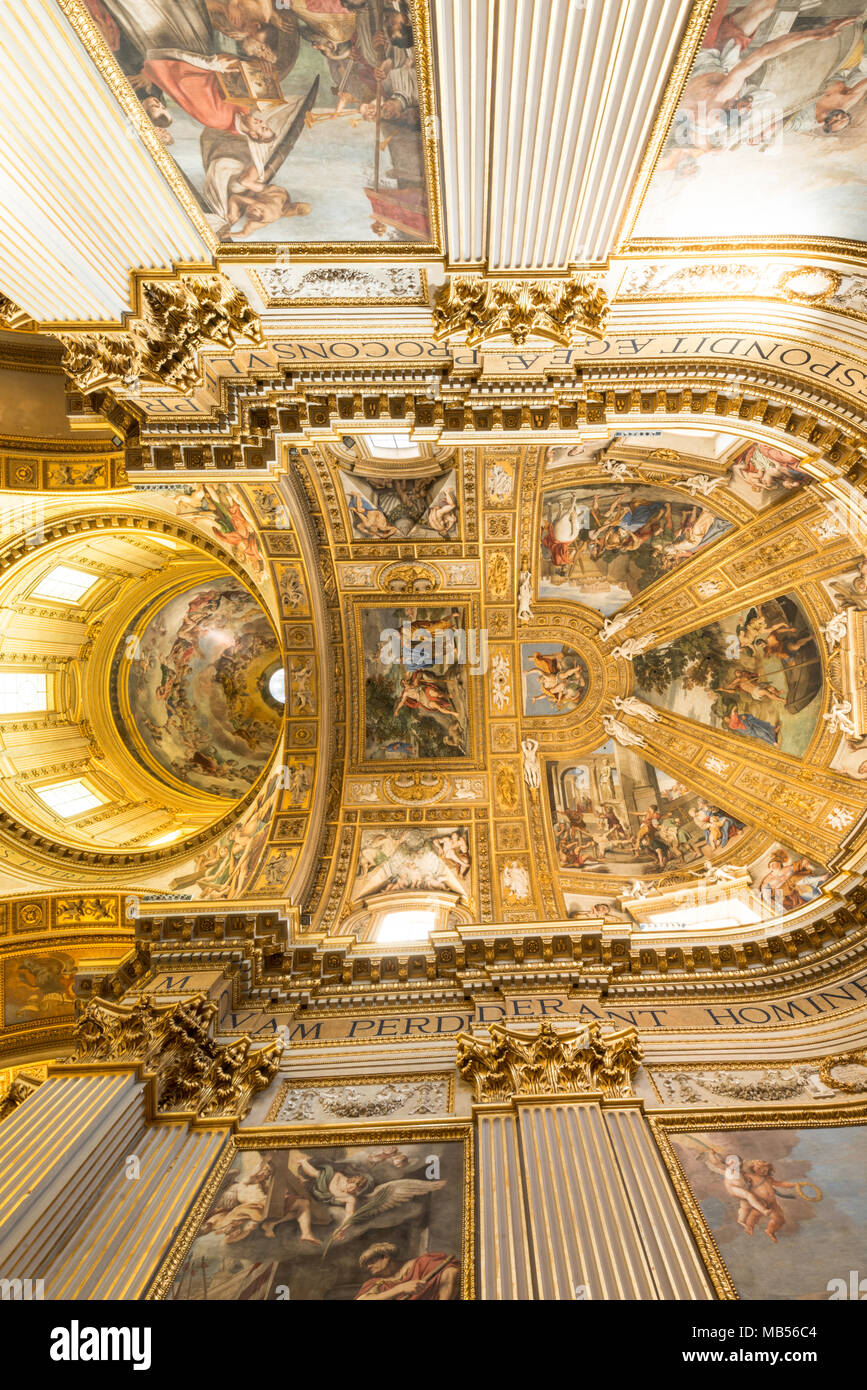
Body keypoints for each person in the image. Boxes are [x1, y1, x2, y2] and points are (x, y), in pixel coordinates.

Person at [355, 1243, 460, 1300]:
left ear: (385, 1257)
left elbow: (451, 1273)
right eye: (366, 1265)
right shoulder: (375, 1283)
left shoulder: (422, 1263)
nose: (368, 1267)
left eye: (371, 1261)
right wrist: (400, 1289)